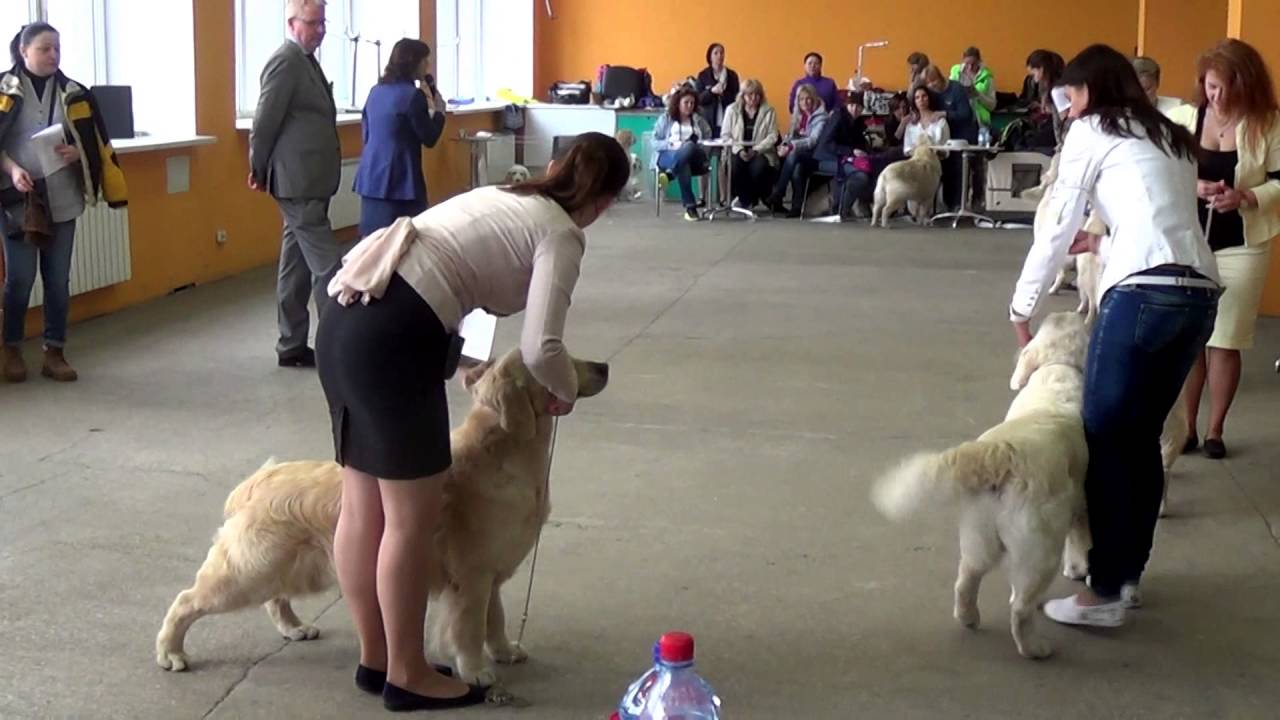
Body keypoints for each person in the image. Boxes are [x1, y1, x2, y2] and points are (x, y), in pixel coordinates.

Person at [316, 132, 629, 712]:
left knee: (363, 510)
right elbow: (541, 348)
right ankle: (409, 675)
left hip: (343, 320)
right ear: (605, 202)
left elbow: (460, 281)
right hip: (395, 342)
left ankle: (377, 659)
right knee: (410, 522)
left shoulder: (506, 195)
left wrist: (465, 362)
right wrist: (564, 391)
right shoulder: (562, 233)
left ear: (554, 166)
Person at [1009, 44, 1220, 628]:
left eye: (1072, 95)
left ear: (1093, 89)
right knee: (1141, 439)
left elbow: (1056, 224)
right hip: (1197, 294)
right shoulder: (1173, 137)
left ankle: (1102, 590)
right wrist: (1103, 243)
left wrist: (1022, 306)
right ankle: (1127, 578)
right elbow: (1163, 222)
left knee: (1102, 435)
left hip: (1141, 294)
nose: (1070, 110)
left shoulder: (1092, 131)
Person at [1168, 39, 1280, 459]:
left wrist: (1246, 197)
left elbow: (1279, 180)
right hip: (1189, 241)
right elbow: (1162, 169)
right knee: (1189, 338)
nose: (1215, 96)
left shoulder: (1268, 123)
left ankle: (1215, 430)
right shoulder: (1185, 117)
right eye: (1210, 86)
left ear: (1245, 85)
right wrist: (1193, 185)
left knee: (1226, 338)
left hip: (1244, 243)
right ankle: (1187, 428)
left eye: (1223, 88)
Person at [0, 22, 127, 384]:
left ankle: (54, 352)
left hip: (63, 198)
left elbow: (95, 144)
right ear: (24, 51)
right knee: (20, 279)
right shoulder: (3, 90)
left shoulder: (76, 94)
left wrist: (77, 154)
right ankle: (11, 349)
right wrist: (12, 169)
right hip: (17, 200)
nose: (53, 55)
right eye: (44, 49)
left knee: (57, 280)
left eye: (57, 48)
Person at [249, 0, 344, 369]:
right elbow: (264, 120)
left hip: (310, 180)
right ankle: (340, 347)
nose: (320, 30)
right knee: (329, 267)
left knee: (296, 266)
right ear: (291, 23)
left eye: (323, 23)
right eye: (312, 23)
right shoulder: (286, 61)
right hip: (297, 182)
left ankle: (291, 343)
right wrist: (257, 167)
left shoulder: (306, 61)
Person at [354, 39, 446, 238]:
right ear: (414, 63)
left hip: (371, 176)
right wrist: (439, 113)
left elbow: (366, 132)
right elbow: (429, 138)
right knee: (403, 239)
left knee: (372, 240)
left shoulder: (375, 91)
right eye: (425, 61)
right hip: (402, 181)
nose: (428, 66)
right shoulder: (413, 96)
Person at [765, 83, 828, 218]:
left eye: (808, 98)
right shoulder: (798, 116)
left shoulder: (821, 118)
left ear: (814, 99)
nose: (805, 102)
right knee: (796, 167)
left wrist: (791, 147)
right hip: (799, 156)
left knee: (793, 155)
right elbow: (790, 136)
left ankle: (779, 193)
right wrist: (784, 145)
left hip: (815, 155)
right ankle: (796, 207)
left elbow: (813, 141)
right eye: (801, 99)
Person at [652, 87, 713, 221]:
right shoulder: (666, 118)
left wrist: (700, 147)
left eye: (692, 103)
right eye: (686, 102)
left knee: (689, 145)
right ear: (678, 103)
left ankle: (670, 175)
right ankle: (690, 208)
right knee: (683, 166)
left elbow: (708, 138)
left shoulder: (699, 120)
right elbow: (654, 142)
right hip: (669, 154)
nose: (689, 106)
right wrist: (670, 144)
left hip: (695, 157)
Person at [719, 78, 779, 209]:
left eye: (757, 94)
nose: (754, 98)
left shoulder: (769, 111)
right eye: (750, 94)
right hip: (736, 151)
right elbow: (725, 135)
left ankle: (748, 199)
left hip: (761, 152)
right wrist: (740, 150)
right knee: (734, 166)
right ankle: (745, 200)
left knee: (759, 168)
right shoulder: (732, 109)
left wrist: (756, 150)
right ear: (743, 95)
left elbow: (773, 136)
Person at [695, 42, 739, 138]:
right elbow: (698, 99)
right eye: (716, 53)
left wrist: (724, 94)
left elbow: (737, 98)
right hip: (709, 120)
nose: (719, 55)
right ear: (710, 57)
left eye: (722, 53)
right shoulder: (703, 75)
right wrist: (711, 91)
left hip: (728, 117)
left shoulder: (732, 75)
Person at [950, 47, 997, 130]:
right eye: (967, 63)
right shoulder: (955, 72)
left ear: (979, 61)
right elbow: (949, 94)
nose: (970, 67)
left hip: (980, 121)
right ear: (963, 61)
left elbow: (992, 106)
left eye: (973, 64)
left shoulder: (987, 77)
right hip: (958, 117)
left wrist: (978, 94)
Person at [902, 85, 951, 153]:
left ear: (929, 98)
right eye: (917, 97)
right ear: (914, 102)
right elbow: (907, 149)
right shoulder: (910, 125)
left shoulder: (941, 122)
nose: (921, 100)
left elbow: (946, 150)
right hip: (916, 158)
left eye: (924, 96)